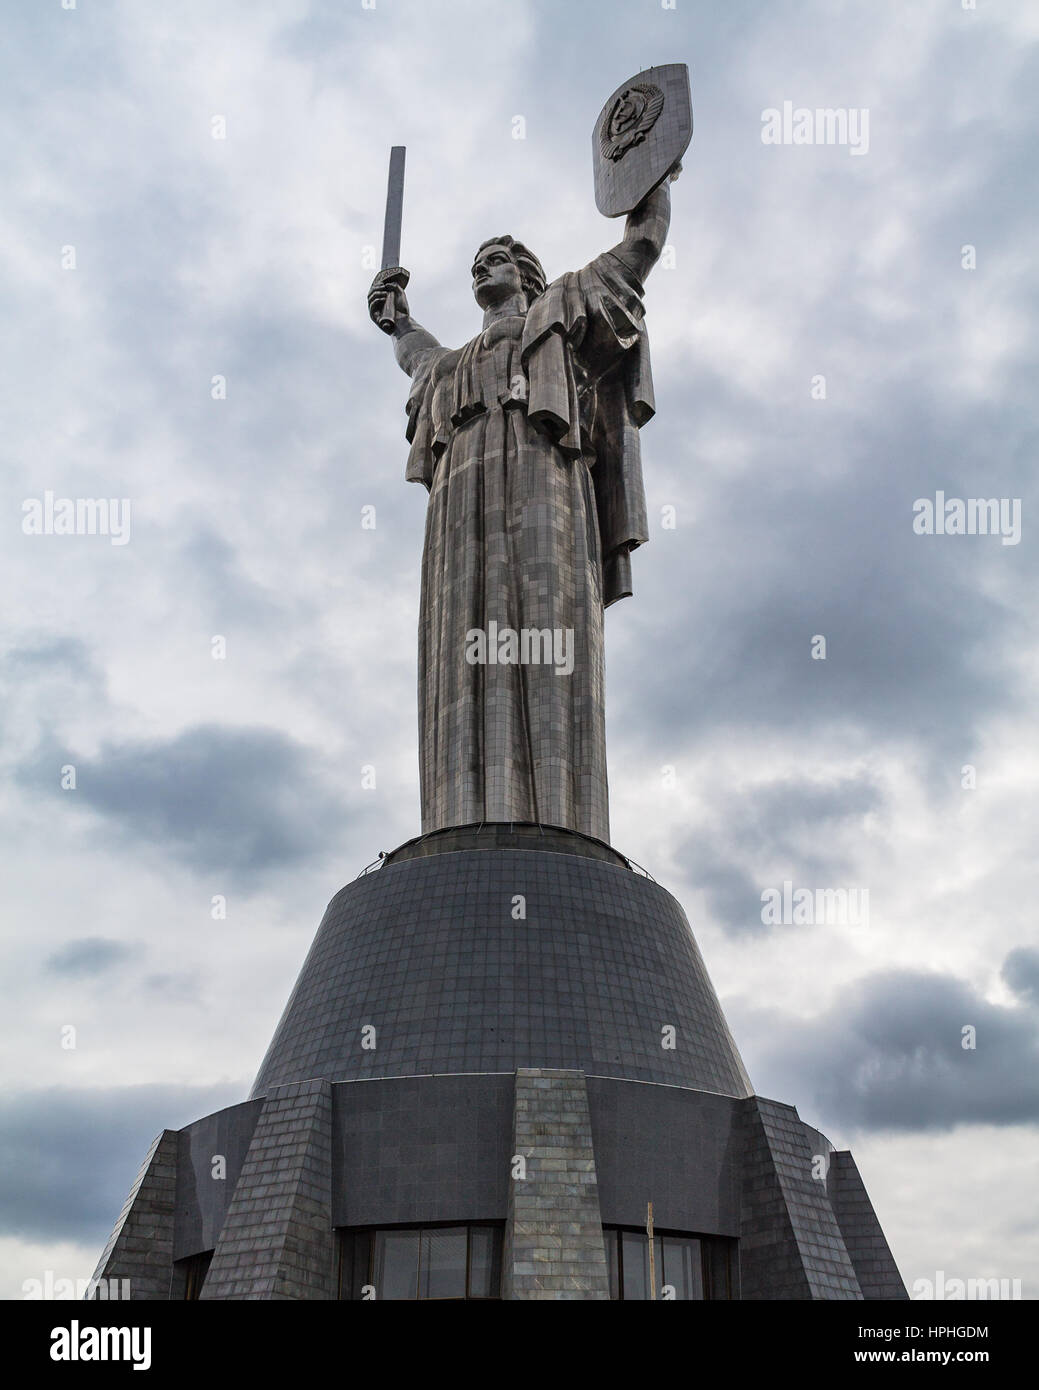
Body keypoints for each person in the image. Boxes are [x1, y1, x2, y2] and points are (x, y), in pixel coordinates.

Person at [368, 170, 678, 842]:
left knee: (546, 630)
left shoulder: (562, 308)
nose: (483, 268)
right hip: (459, 519)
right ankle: (466, 825)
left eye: (497, 259)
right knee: (462, 644)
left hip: (545, 487)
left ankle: (555, 824)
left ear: (529, 275)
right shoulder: (451, 368)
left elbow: (643, 245)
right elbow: (412, 353)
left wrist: (649, 168)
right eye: (476, 264)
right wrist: (396, 317)